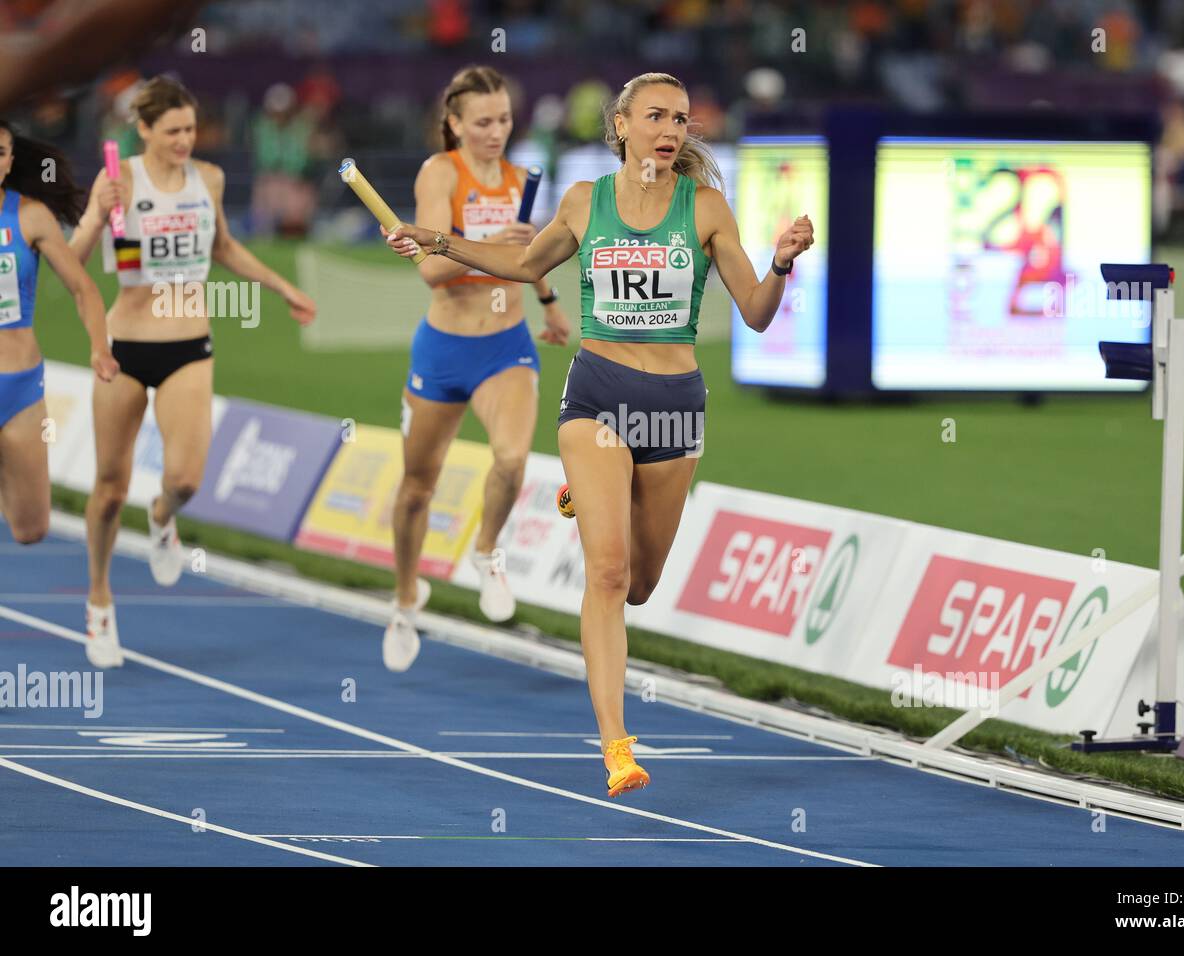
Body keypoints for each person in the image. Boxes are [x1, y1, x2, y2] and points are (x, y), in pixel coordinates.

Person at [386, 72, 813, 797]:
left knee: (641, 584)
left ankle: (591, 494)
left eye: (680, 116)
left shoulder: (705, 206)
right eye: (655, 115)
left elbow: (758, 313)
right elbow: (523, 265)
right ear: (621, 125)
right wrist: (438, 240)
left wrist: (778, 264)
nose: (671, 127)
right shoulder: (586, 203)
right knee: (607, 575)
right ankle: (616, 746)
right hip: (598, 395)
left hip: (674, 404)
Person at [68, 76, 316, 668]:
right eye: (172, 130)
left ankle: (162, 520)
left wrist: (282, 287)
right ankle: (99, 601)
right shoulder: (118, 179)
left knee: (183, 481)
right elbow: (70, 263)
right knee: (107, 490)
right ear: (144, 128)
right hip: (124, 345)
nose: (184, 139)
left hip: (189, 344)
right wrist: (97, 220)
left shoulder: (210, 179)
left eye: (190, 129)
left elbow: (225, 248)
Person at [381, 65, 571, 672]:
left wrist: (547, 299)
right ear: (455, 124)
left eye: (505, 119)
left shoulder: (521, 179)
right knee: (416, 491)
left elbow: (527, 261)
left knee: (512, 460)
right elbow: (433, 270)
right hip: (442, 349)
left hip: (505, 346)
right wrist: (496, 246)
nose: (497, 131)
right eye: (483, 121)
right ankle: (406, 595)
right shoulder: (441, 173)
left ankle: (487, 550)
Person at [0, 120, 117, 549]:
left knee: (31, 529)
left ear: (11, 162)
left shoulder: (30, 216)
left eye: (0, 153)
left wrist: (100, 348)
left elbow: (83, 289)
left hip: (20, 387)